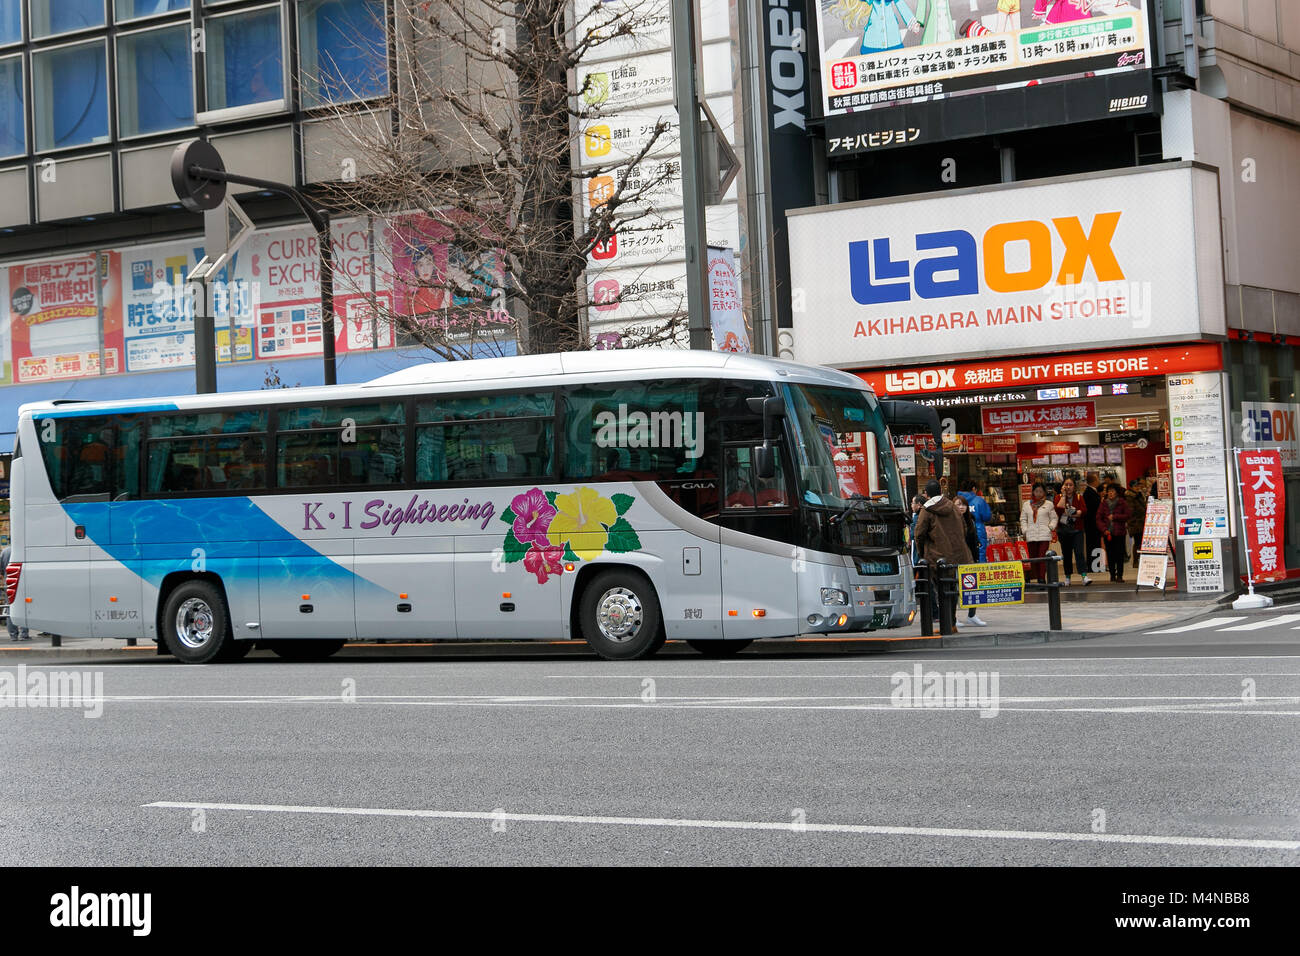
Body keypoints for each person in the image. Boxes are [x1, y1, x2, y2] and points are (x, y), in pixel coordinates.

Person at [913, 480, 971, 621]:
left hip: (936, 556)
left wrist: (922, 553)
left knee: (941, 590)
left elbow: (919, 534)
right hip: (957, 555)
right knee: (952, 589)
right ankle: (952, 621)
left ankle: (947, 622)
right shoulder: (953, 507)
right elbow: (964, 529)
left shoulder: (926, 510)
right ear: (940, 491)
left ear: (926, 494)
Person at [953, 494, 988, 627]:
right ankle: (953, 617)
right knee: (955, 589)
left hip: (971, 558)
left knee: (972, 587)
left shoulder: (971, 520)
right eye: (958, 504)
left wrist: (977, 556)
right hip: (957, 559)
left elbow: (973, 540)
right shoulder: (951, 521)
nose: (961, 507)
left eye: (963, 505)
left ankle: (972, 615)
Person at [1053, 478, 1090, 586]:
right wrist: (1063, 495)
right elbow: (1059, 508)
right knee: (1067, 554)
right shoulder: (1058, 497)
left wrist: (1075, 513)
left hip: (1077, 529)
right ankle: (1068, 577)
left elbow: (1084, 511)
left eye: (1071, 485)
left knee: (1079, 553)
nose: (1068, 487)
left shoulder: (1079, 497)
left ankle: (1084, 576)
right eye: (1066, 484)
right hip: (1063, 530)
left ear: (1074, 487)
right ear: (1063, 486)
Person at [1020, 482, 1058, 583]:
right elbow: (1023, 519)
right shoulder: (1027, 505)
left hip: (1044, 535)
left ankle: (1041, 578)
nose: (1038, 494)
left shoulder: (1049, 504)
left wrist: (1050, 527)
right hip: (1031, 535)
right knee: (1033, 558)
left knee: (1042, 557)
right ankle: (1034, 577)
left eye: (1041, 491)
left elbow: (1054, 518)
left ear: (1044, 492)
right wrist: (1025, 530)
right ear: (1033, 492)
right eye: (1036, 491)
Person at [1097, 483, 1131, 582]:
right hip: (1108, 533)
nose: (1111, 493)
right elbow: (1098, 518)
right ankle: (1112, 575)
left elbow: (1128, 515)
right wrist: (1104, 529)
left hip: (1119, 532)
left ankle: (1120, 575)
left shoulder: (1122, 502)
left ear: (1116, 493)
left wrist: (1115, 517)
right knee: (1110, 554)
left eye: (1113, 491)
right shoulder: (1103, 504)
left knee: (1120, 554)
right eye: (1109, 491)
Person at [957, 479, 993, 561]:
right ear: (973, 489)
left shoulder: (957, 501)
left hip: (960, 531)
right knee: (979, 554)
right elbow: (987, 516)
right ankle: (979, 573)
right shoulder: (979, 500)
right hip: (978, 531)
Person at [1, 545, 31, 641]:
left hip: (9, 582)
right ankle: (24, 634)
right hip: (23, 581)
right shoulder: (24, 549)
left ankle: (13, 634)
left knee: (10, 607)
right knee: (24, 607)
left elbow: (1, 569)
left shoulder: (5, 551)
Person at [1082, 470, 1103, 578]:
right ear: (1094, 481)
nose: (1099, 481)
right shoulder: (1089, 493)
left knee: (1094, 545)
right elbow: (1094, 510)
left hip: (1093, 525)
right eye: (1097, 479)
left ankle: (1096, 565)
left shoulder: (1091, 492)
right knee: (1093, 545)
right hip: (1092, 525)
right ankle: (1094, 566)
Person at [1125, 478, 1147, 569]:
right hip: (1136, 524)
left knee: (1141, 543)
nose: (1138, 487)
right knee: (1138, 543)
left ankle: (1139, 560)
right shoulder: (1130, 497)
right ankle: (1135, 561)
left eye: (1138, 485)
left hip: (1141, 522)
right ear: (1131, 487)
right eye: (1135, 486)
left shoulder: (1138, 495)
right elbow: (1131, 512)